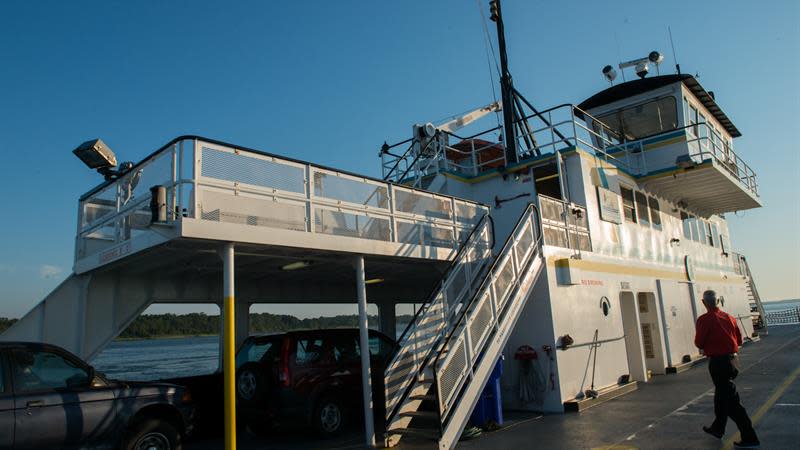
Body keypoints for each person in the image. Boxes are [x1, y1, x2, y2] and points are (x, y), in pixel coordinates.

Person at [694, 290, 759, 448]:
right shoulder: (729, 317)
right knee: (721, 396)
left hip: (718, 363)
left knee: (731, 402)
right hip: (733, 361)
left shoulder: (704, 320)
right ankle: (718, 428)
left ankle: (750, 437)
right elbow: (739, 339)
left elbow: (699, 343)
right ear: (718, 301)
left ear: (704, 303)